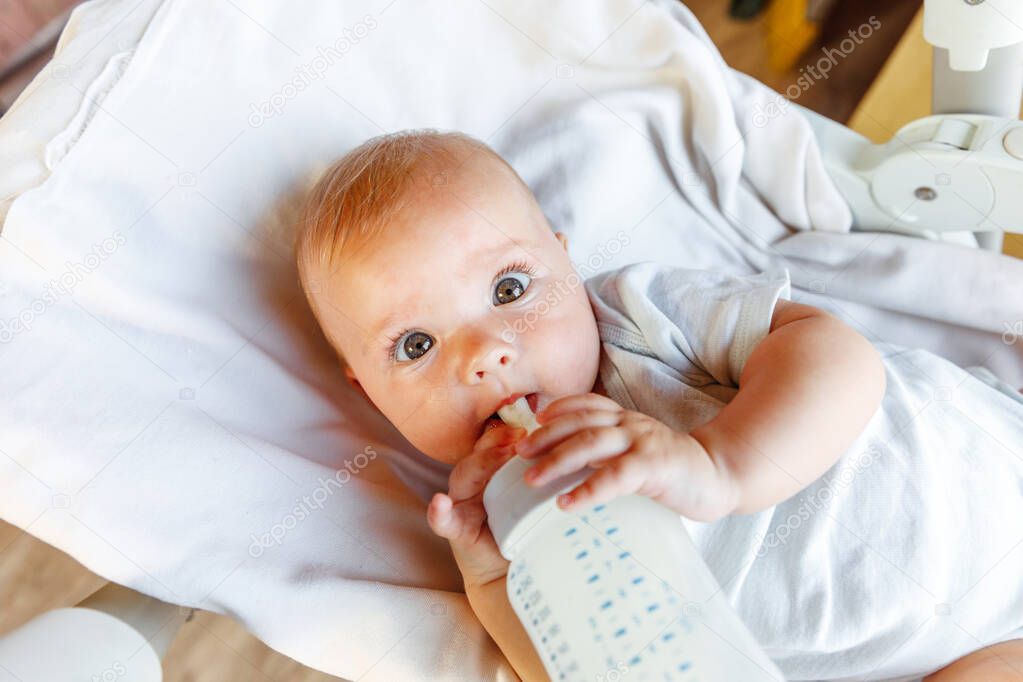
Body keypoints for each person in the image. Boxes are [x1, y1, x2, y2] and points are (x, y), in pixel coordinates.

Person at [294, 129, 1023, 681]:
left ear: (565, 261)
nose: (483, 355)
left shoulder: (638, 315)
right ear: (369, 394)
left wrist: (719, 465)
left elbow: (836, 356)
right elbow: (588, 664)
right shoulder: (505, 510)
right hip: (971, 649)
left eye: (510, 289)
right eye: (415, 345)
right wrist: (493, 582)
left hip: (990, 471)